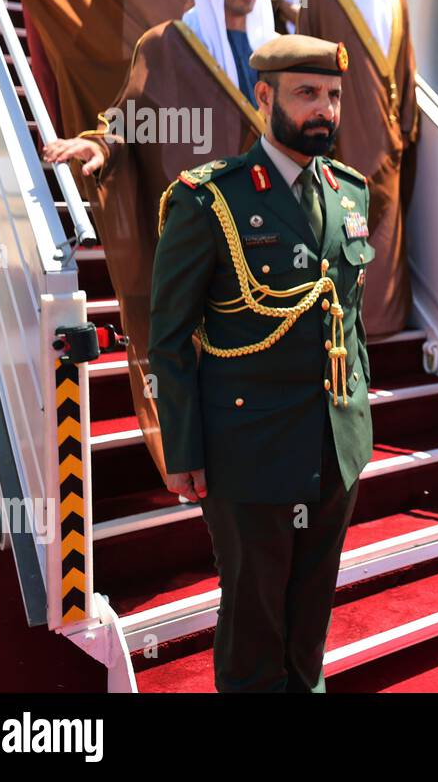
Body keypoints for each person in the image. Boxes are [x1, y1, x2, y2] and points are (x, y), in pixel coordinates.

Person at [148, 34, 374, 693]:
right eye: (307, 95)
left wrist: (357, 413)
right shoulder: (210, 199)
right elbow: (169, 338)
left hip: (335, 442)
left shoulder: (349, 191)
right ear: (265, 97)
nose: (325, 110)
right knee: (254, 617)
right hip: (247, 444)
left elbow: (348, 319)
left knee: (311, 612)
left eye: (333, 96)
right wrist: (183, 445)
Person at [39, 0, 275, 485]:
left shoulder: (273, 50)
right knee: (191, 348)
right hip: (196, 231)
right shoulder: (166, 46)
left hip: (264, 230)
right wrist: (102, 146)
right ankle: (192, 461)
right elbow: (130, 120)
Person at [299, 0, 418, 337]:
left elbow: (406, 69)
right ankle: (341, 324)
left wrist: (406, 125)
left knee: (385, 240)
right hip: (342, 139)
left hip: (389, 143)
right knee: (341, 229)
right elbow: (305, 59)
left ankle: (385, 322)